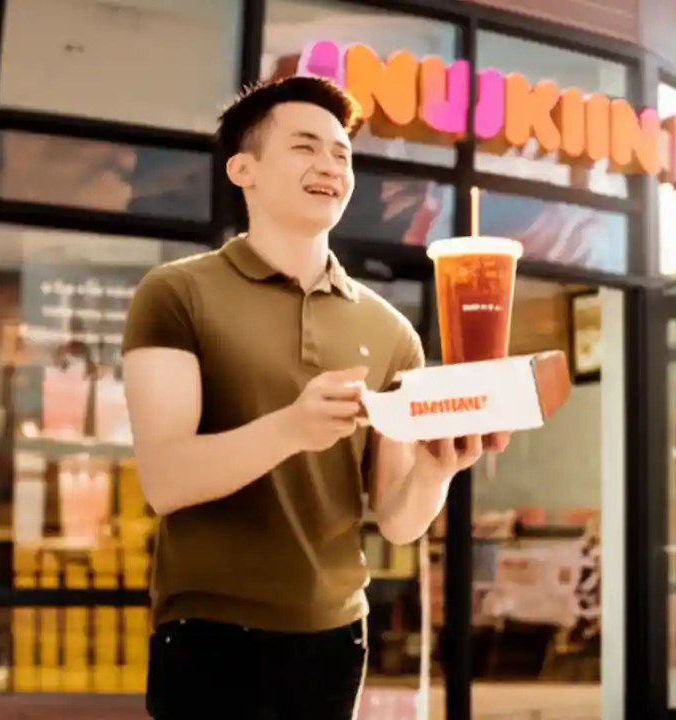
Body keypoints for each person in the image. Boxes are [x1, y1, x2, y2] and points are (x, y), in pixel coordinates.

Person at [121, 75, 508, 719]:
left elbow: (398, 519)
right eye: (305, 146)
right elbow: (165, 479)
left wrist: (437, 471)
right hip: (209, 631)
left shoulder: (391, 331)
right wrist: (290, 428)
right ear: (243, 169)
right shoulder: (176, 293)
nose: (330, 165)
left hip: (336, 636)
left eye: (341, 153)